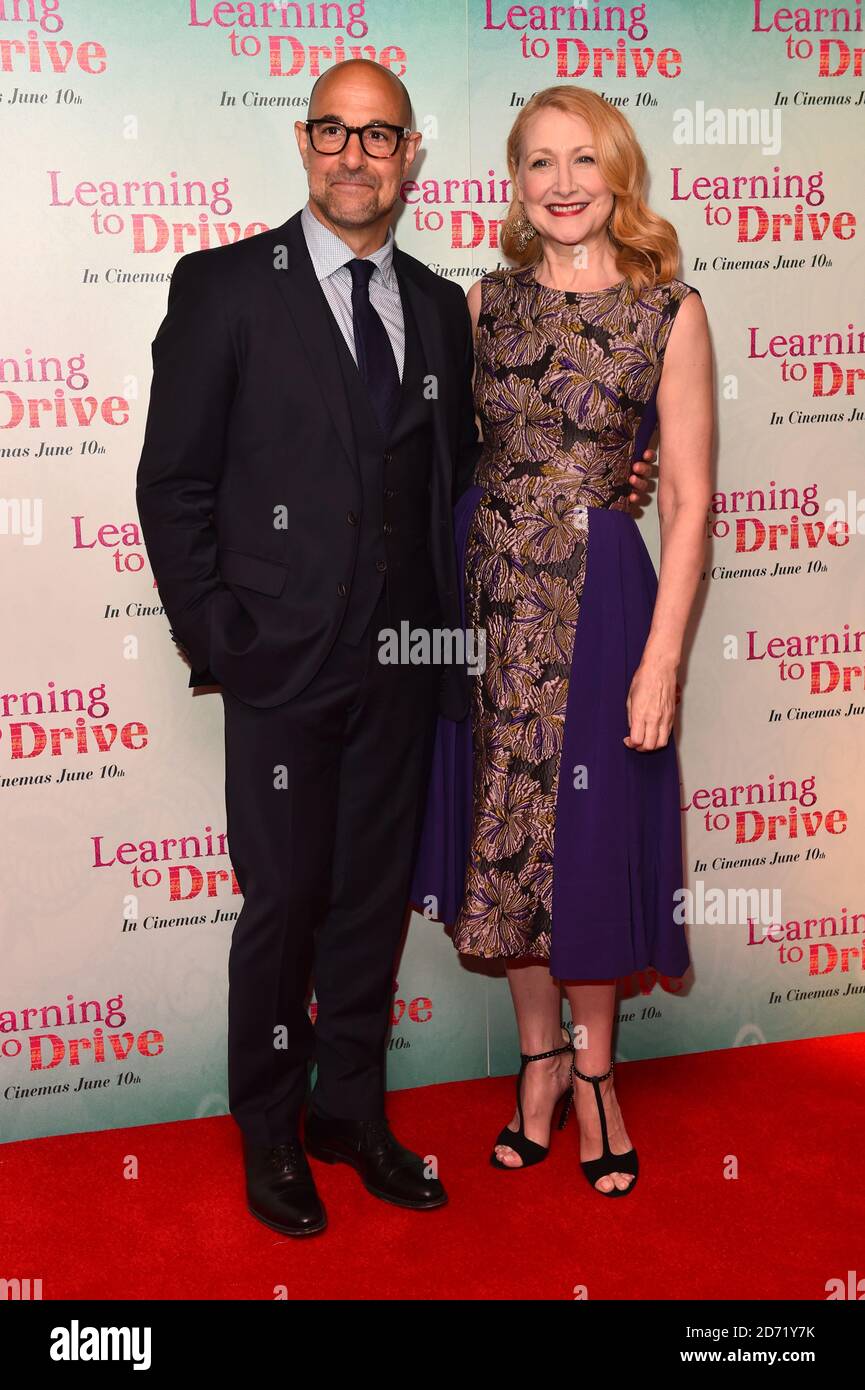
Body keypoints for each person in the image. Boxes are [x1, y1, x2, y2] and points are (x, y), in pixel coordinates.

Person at [136, 60, 656, 1237]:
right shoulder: (223, 287)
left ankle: (349, 1112)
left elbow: (477, 467)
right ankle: (271, 1132)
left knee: (368, 904)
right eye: (336, 132)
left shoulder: (435, 303)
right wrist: (220, 637)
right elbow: (173, 485)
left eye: (381, 137)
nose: (356, 156)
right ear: (306, 143)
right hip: (276, 663)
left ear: (410, 154)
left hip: (408, 665)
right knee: (284, 905)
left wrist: (610, 476)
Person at [413, 84, 713, 1197]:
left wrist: (664, 657)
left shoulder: (669, 310)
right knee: (509, 851)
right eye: (538, 162)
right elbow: (438, 456)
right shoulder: (480, 304)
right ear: (515, 180)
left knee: (583, 841)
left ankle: (597, 1076)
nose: (562, 183)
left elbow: (684, 498)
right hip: (488, 605)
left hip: (604, 604)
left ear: (618, 172)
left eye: (583, 159)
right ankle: (538, 1062)